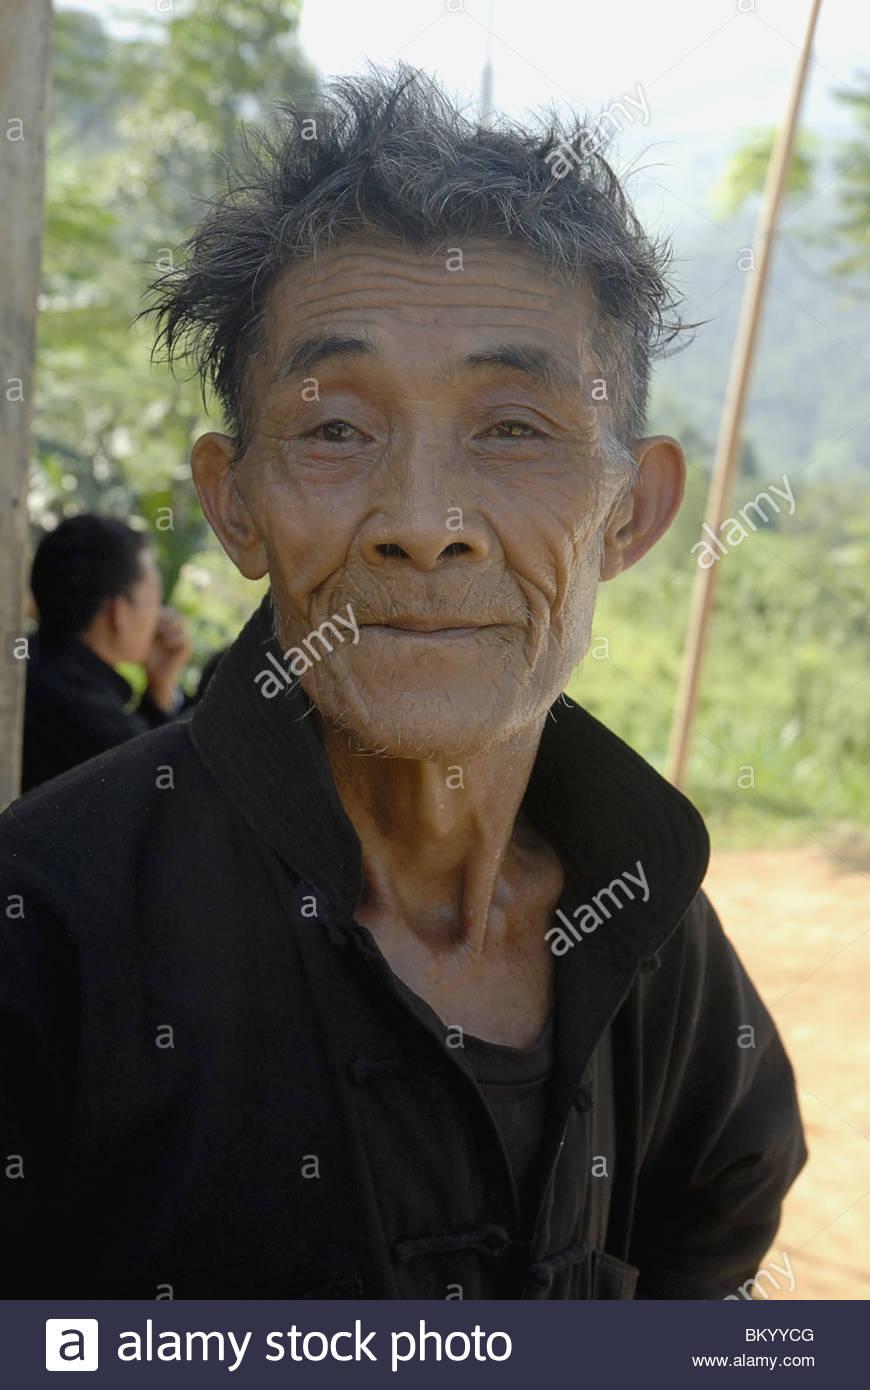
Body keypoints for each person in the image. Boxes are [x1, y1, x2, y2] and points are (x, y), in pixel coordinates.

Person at [0, 66, 806, 1299]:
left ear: (630, 514)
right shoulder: (43, 933)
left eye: (514, 427)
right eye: (335, 429)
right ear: (235, 505)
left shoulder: (650, 934)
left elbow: (712, 1259)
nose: (424, 525)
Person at [19, 515, 191, 792]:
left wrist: (158, 691)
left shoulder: (24, 662)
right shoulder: (92, 719)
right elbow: (161, 791)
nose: (161, 617)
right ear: (117, 613)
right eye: (155, 599)